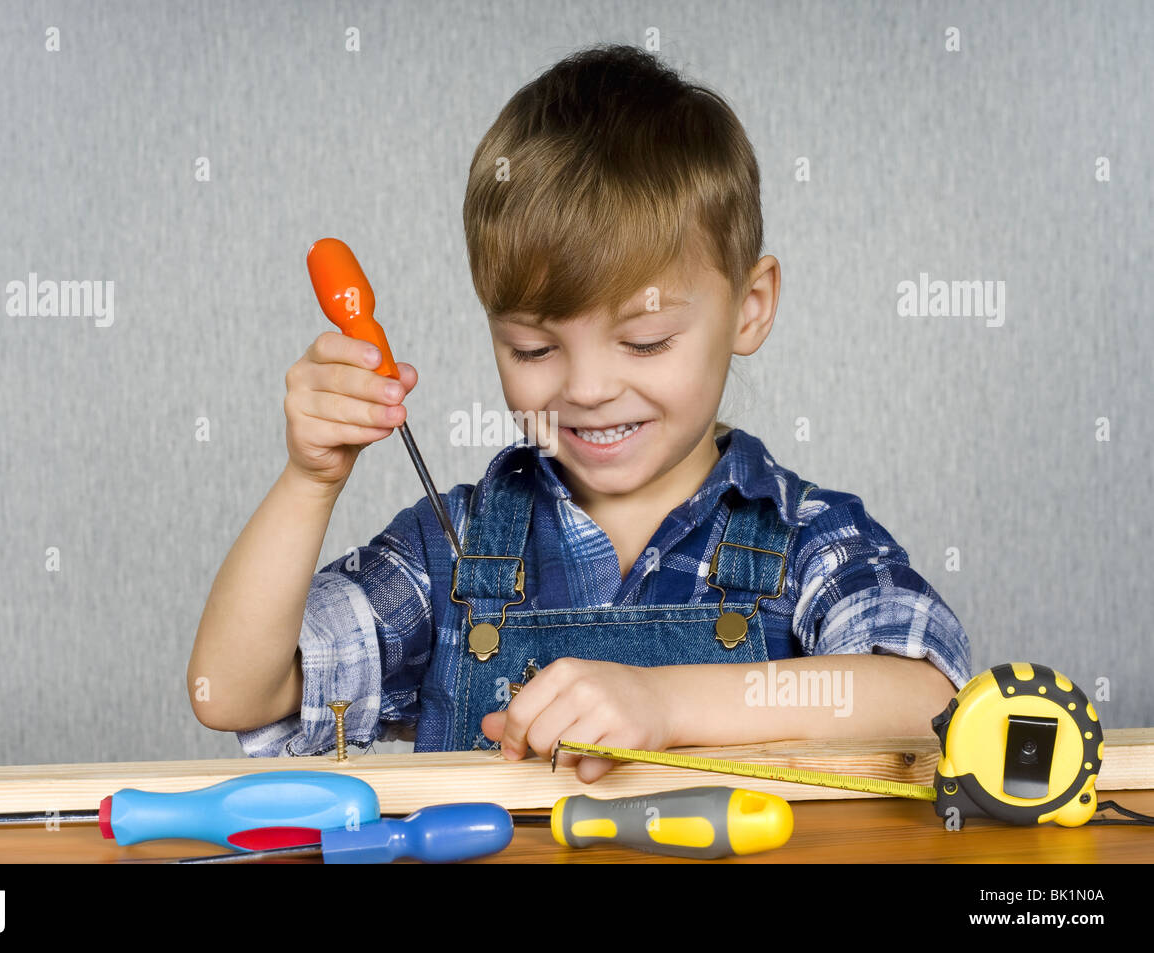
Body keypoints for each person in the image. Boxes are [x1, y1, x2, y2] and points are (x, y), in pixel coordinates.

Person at [187, 43, 971, 783]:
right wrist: (310, 478)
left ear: (750, 307)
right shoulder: (451, 552)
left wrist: (664, 703)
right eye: (533, 349)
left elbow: (930, 699)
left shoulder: (804, 539)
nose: (588, 387)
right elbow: (231, 691)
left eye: (644, 339)